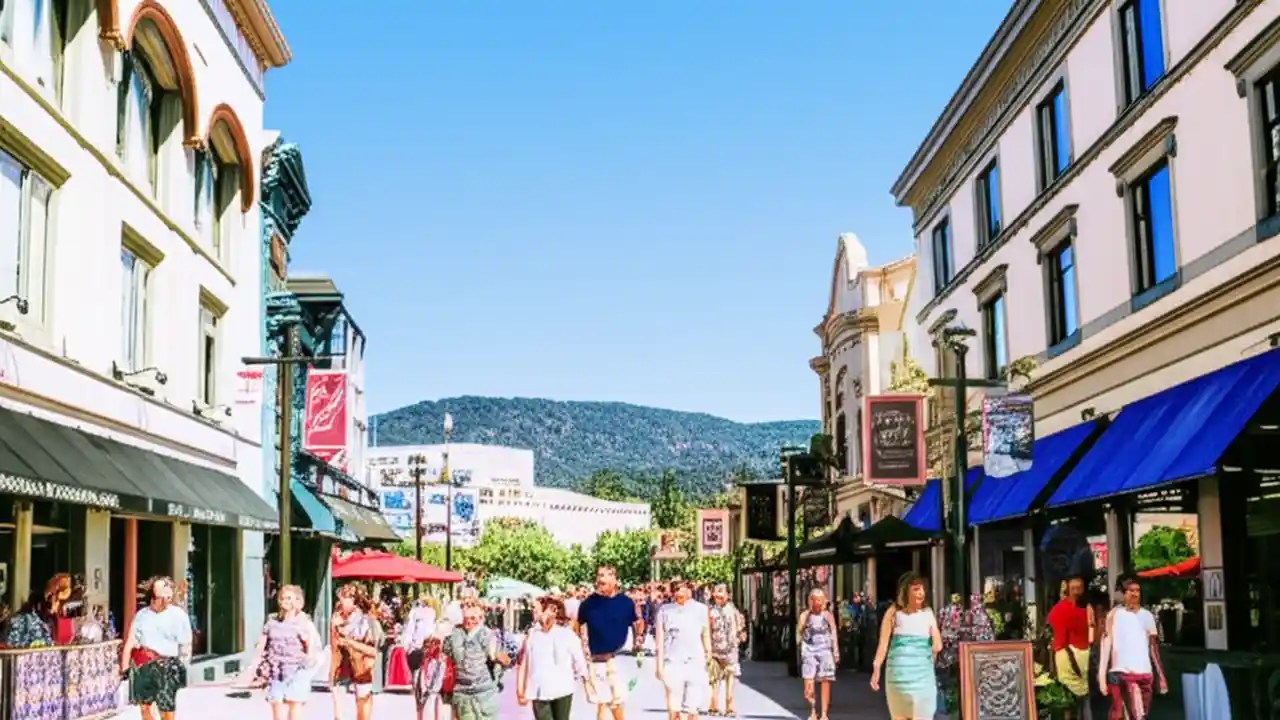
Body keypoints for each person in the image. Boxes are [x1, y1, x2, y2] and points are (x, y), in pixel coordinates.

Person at [120, 576, 193, 720]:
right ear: (153, 597)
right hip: (144, 666)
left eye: (168, 595)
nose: (166, 599)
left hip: (167, 666)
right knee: (145, 709)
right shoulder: (142, 616)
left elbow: (186, 645)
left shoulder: (179, 616)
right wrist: (125, 667)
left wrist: (183, 667)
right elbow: (131, 641)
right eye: (161, 596)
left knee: (166, 711)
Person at [871, 573, 942, 720]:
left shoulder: (893, 612)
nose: (921, 593)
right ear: (905, 592)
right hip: (921, 677)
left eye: (922, 589)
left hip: (898, 676)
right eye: (916, 589)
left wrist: (876, 669)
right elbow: (937, 646)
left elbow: (883, 644)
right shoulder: (927, 614)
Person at [577, 566, 643, 720]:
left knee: (615, 702)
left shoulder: (625, 602)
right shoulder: (588, 604)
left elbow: (637, 622)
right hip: (597, 659)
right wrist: (582, 646)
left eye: (604, 576)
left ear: (614, 579)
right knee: (603, 701)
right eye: (598, 576)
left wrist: (637, 640)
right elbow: (578, 625)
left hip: (618, 658)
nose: (600, 580)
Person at [1098, 575, 1166, 720]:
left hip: (1145, 674)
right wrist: (1102, 675)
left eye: (1137, 590)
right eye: (1131, 590)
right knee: (1129, 713)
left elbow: (1153, 649)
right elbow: (1106, 644)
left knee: (1141, 714)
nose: (1135, 594)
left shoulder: (1147, 616)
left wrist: (1161, 676)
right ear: (1124, 593)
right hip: (1122, 673)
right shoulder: (1114, 615)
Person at [255, 585, 321, 720]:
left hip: (296, 671)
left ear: (297, 601)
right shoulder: (271, 622)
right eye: (283, 598)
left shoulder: (303, 623)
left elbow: (310, 647)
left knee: (294, 706)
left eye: (289, 598)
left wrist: (308, 663)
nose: (285, 601)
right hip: (275, 671)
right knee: (277, 709)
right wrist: (255, 667)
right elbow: (261, 646)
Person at [517, 596, 587, 720]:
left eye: (536, 609)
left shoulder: (566, 634)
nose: (533, 612)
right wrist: (520, 689)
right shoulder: (532, 635)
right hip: (539, 690)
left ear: (551, 610)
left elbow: (579, 660)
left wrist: (585, 681)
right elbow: (524, 663)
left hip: (562, 689)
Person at [444, 599, 511, 720]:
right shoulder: (455, 634)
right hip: (462, 695)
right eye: (466, 618)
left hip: (484, 695)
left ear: (480, 617)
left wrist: (499, 658)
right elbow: (447, 655)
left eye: (472, 618)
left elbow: (500, 658)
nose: (469, 621)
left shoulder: (487, 635)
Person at [655, 580, 711, 720]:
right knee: (674, 705)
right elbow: (660, 641)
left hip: (695, 661)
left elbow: (706, 633)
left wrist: (709, 653)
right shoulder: (664, 610)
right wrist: (659, 665)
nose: (679, 592)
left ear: (689, 591)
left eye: (682, 589)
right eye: (675, 589)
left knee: (692, 707)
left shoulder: (700, 609)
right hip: (672, 661)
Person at [1047, 575, 1095, 720]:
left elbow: (1054, 637)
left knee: (1068, 703)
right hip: (1079, 658)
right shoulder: (1087, 608)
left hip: (1069, 658)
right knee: (1082, 702)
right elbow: (1092, 636)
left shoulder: (1059, 609)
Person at [330, 584, 381, 720]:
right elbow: (334, 647)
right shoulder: (336, 618)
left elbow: (373, 651)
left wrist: (350, 643)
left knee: (362, 707)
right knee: (339, 713)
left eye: (346, 598)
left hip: (362, 668)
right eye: (341, 598)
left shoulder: (365, 621)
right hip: (341, 669)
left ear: (354, 600)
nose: (342, 601)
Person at [797, 588, 839, 720]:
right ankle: (813, 711)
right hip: (809, 650)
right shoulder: (805, 615)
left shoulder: (827, 615)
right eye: (815, 600)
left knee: (825, 681)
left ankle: (824, 714)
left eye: (821, 600)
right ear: (811, 601)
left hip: (825, 650)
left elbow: (833, 633)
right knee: (808, 684)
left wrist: (835, 651)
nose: (818, 603)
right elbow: (799, 632)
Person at [706, 582, 745, 717]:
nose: (718, 594)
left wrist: (740, 636)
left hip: (730, 649)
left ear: (728, 595)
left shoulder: (733, 611)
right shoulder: (710, 611)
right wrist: (707, 648)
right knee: (713, 679)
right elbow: (707, 630)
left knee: (730, 677)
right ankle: (713, 705)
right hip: (715, 650)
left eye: (721, 591)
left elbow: (740, 627)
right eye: (716, 591)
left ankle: (729, 705)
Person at [414, 636, 447, 720]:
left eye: (428, 647)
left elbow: (438, 681)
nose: (425, 649)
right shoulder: (423, 661)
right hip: (423, 696)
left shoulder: (439, 662)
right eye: (425, 647)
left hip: (432, 696)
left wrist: (428, 691)